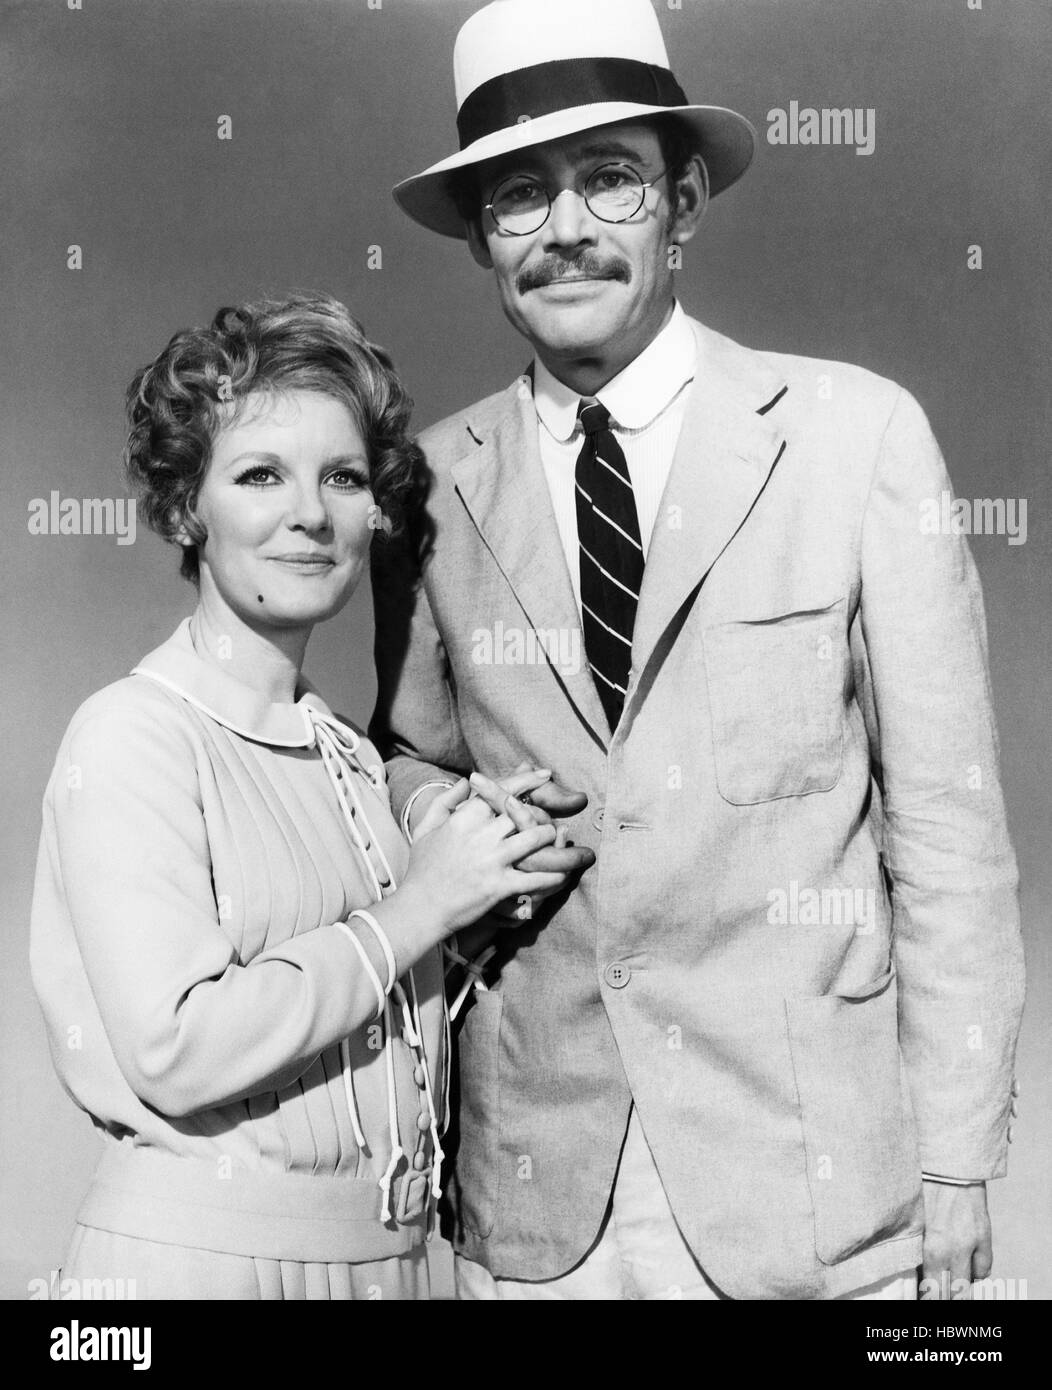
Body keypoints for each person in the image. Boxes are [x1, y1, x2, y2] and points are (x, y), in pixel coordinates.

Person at [371, 0, 1026, 1300]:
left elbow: (947, 825)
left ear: (683, 207)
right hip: (536, 1194)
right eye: (518, 198)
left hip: (820, 1192)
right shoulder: (427, 485)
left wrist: (956, 1156)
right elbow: (402, 750)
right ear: (480, 244)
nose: (564, 231)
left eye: (608, 183)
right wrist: (451, 807)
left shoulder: (857, 437)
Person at [29, 292, 567, 1300]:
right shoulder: (134, 734)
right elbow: (177, 1049)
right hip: (195, 1270)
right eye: (260, 474)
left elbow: (373, 1017)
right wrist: (418, 907)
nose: (309, 514)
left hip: (389, 1266)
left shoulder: (352, 761)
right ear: (188, 504)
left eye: (344, 477)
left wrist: (486, 887)